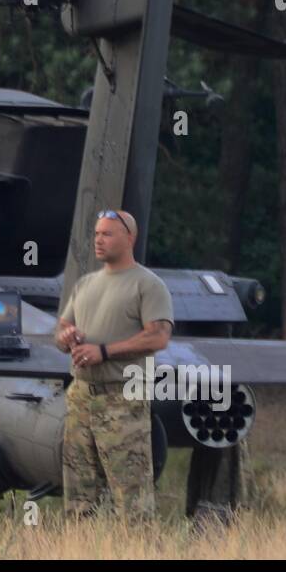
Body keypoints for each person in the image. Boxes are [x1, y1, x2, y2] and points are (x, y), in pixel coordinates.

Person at [55, 209, 174, 518]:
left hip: (123, 398)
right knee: (79, 495)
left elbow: (158, 337)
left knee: (131, 497)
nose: (98, 240)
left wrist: (104, 352)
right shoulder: (85, 284)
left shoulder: (147, 285)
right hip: (81, 396)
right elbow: (59, 330)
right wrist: (67, 336)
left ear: (129, 238)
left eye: (107, 234)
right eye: (96, 233)